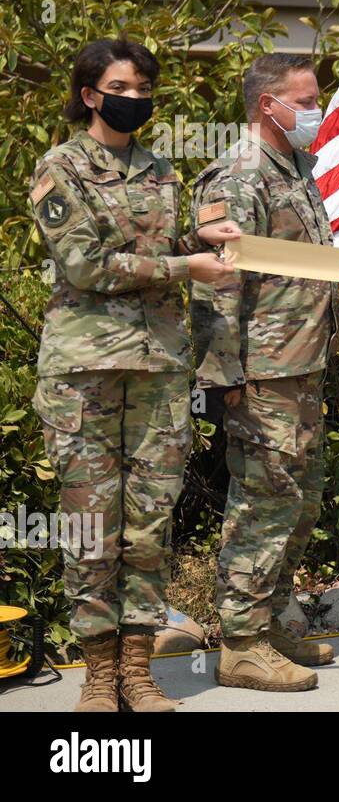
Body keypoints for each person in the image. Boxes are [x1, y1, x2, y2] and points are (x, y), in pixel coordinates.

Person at [30, 38, 239, 711]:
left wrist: (199, 244)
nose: (138, 99)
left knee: (149, 526)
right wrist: (186, 269)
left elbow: (156, 252)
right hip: (84, 373)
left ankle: (137, 671)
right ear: (90, 94)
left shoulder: (160, 169)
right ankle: (95, 674)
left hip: (158, 369)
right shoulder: (58, 167)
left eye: (146, 90)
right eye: (124, 87)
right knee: (92, 529)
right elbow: (87, 266)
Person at [190, 53, 339, 692]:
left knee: (298, 500)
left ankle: (273, 619)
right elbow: (217, 284)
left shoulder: (296, 170)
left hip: (302, 366)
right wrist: (223, 378)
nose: (314, 111)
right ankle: (242, 642)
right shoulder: (236, 178)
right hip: (261, 373)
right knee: (261, 503)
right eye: (304, 101)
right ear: (267, 105)